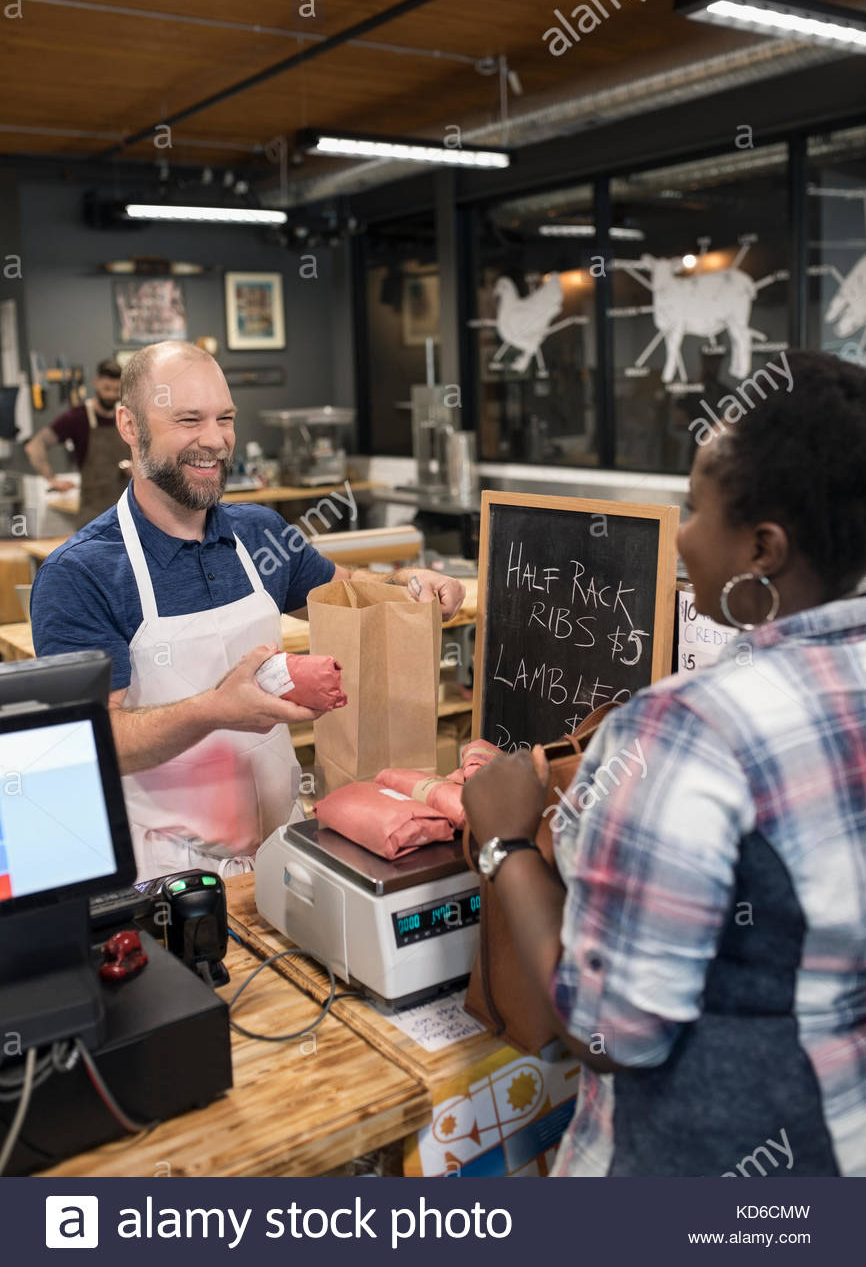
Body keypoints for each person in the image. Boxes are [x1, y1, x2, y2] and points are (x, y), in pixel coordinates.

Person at [463, 351, 866, 1177]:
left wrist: (503, 844)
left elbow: (609, 1032)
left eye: (692, 507)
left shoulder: (688, 731)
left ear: (763, 546)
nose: (679, 534)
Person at [31, 341, 465, 881]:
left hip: (285, 848)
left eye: (225, 418)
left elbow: (349, 594)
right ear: (129, 424)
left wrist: (407, 585)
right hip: (164, 874)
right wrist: (213, 708)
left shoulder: (260, 534)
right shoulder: (82, 573)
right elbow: (92, 742)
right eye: (188, 419)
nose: (214, 440)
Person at [24, 358, 129, 529]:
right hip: (93, 516)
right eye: (106, 389)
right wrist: (51, 479)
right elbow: (35, 446)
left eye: (116, 390)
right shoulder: (78, 417)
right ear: (96, 383)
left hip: (127, 513)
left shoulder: (127, 417)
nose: (111, 395)